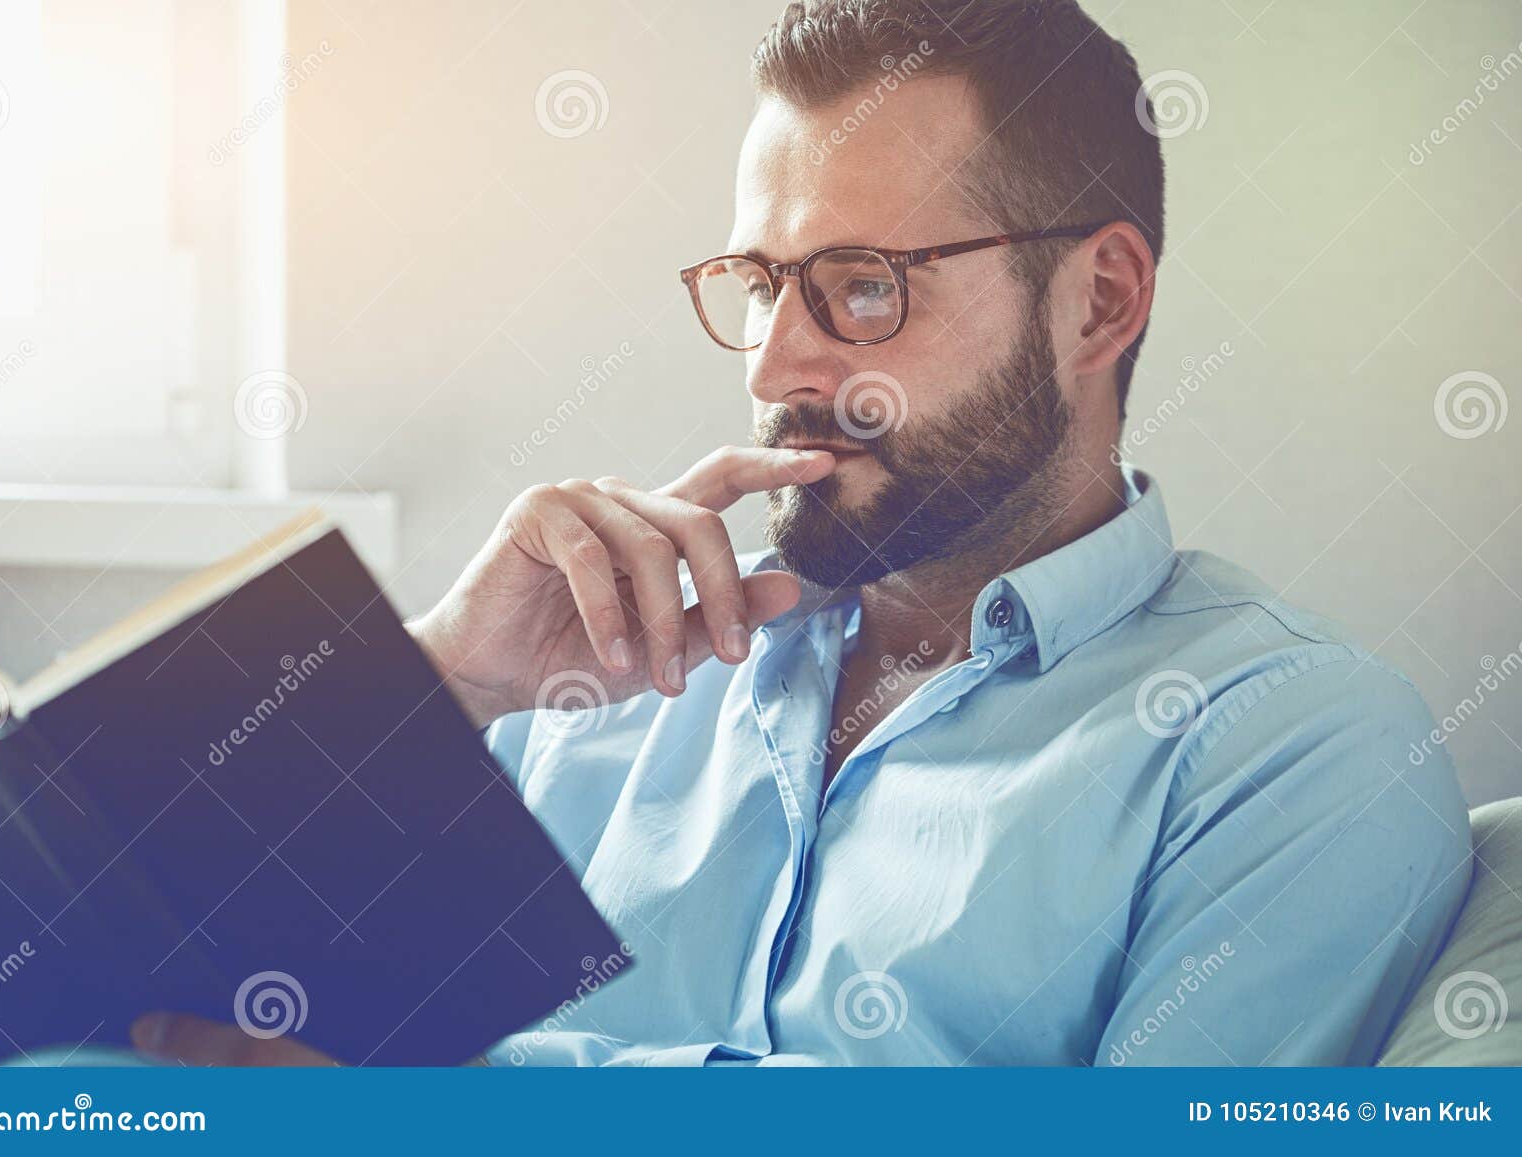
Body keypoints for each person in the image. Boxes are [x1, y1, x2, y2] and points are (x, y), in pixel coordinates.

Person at [132, 0, 1470, 1067]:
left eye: (862, 289)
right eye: (761, 285)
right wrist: (447, 677)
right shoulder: (604, 662)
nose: (776, 365)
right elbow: (148, 989)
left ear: (1099, 302)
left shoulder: (1291, 743)